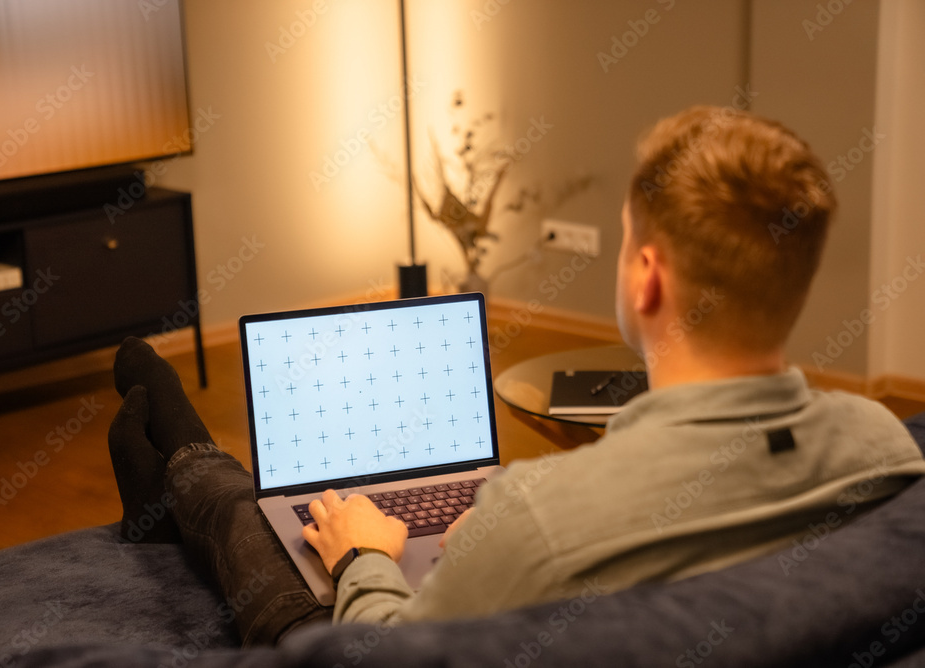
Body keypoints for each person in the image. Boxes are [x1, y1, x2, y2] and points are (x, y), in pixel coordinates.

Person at [107, 105, 925, 646]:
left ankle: (187, 468)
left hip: (394, 588)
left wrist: (366, 558)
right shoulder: (882, 446)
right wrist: (492, 548)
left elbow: (380, 656)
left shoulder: (539, 518)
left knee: (276, 537)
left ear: (646, 280)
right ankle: (186, 470)